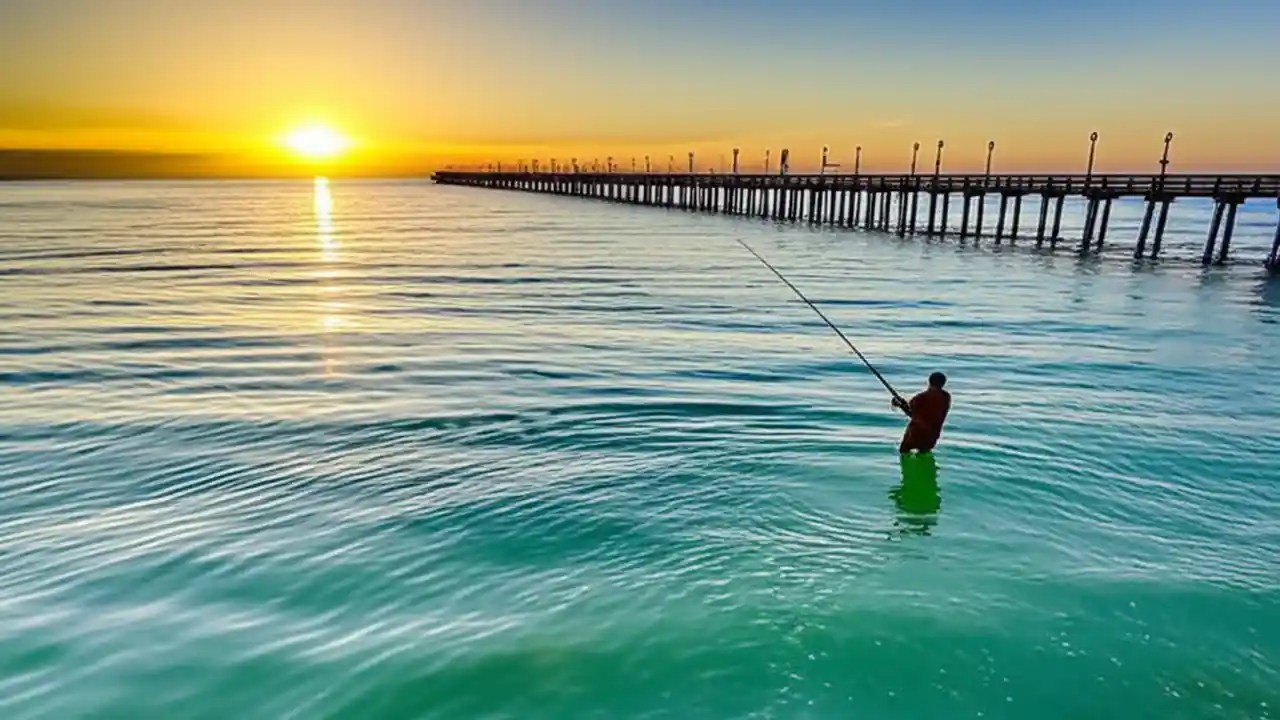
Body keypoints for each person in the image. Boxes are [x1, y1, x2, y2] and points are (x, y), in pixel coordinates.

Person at [892, 372, 951, 454]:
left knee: (904, 452)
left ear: (929, 381)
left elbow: (911, 413)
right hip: (932, 436)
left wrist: (900, 404)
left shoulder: (921, 397)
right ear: (943, 383)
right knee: (924, 454)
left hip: (915, 433)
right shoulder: (946, 397)